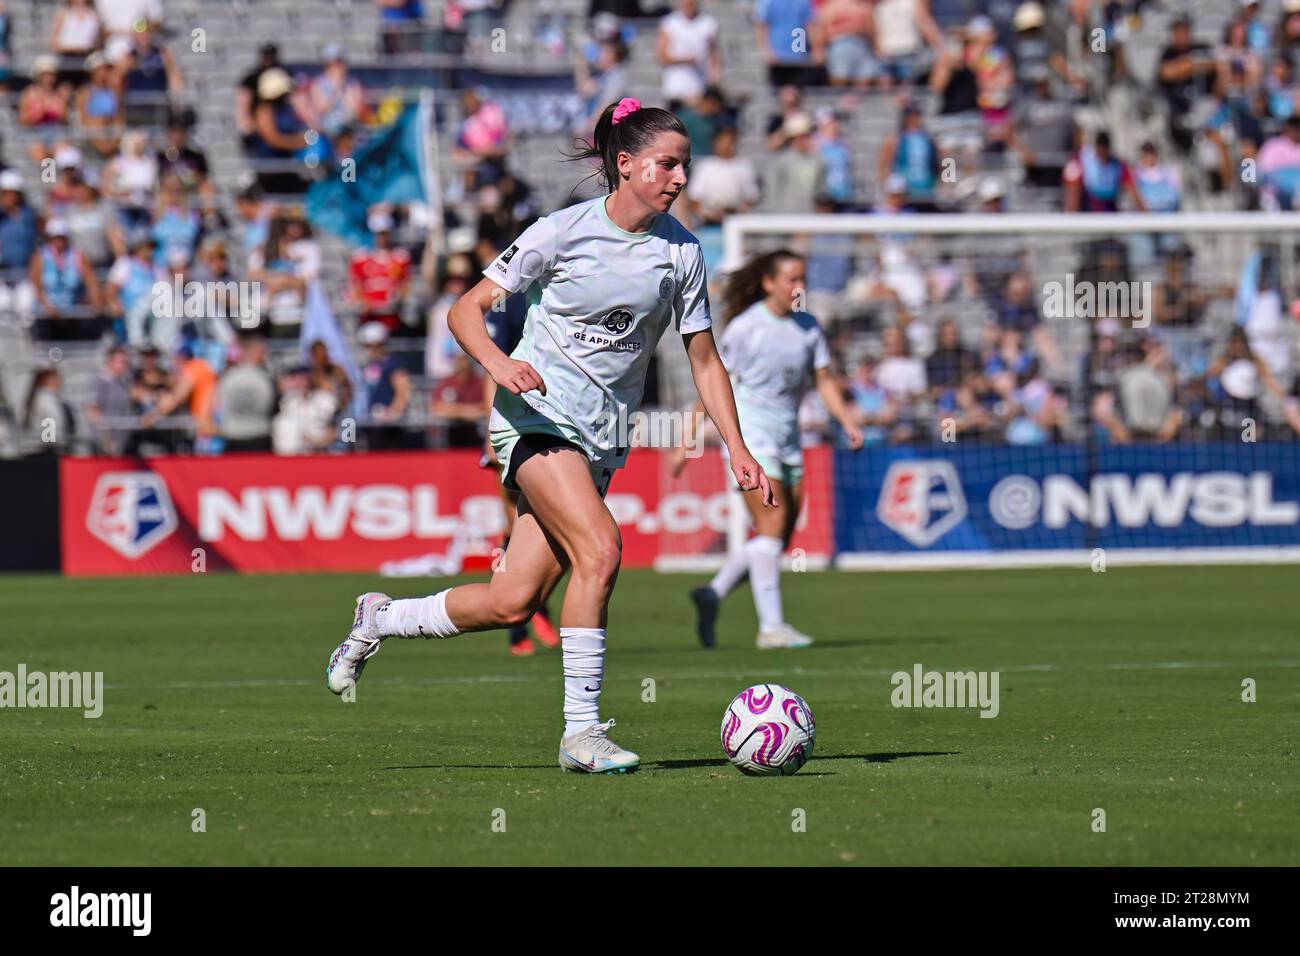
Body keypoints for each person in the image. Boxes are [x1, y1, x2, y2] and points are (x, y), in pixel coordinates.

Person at [324, 98, 774, 774]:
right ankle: (581, 734)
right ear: (625, 164)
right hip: (533, 422)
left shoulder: (682, 252)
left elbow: (703, 359)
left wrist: (737, 447)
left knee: (512, 602)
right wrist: (500, 365)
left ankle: (379, 618)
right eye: (668, 164)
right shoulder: (558, 233)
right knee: (602, 549)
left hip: (598, 441)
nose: (680, 178)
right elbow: (464, 309)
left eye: (686, 165)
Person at [671, 249, 863, 649]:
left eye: (803, 278)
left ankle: (713, 593)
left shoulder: (809, 327)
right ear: (769, 283)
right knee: (772, 529)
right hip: (752, 439)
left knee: (778, 537)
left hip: (789, 440)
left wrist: (846, 421)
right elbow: (713, 381)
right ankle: (771, 628)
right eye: (792, 278)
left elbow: (824, 380)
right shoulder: (746, 328)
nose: (800, 286)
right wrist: (686, 437)